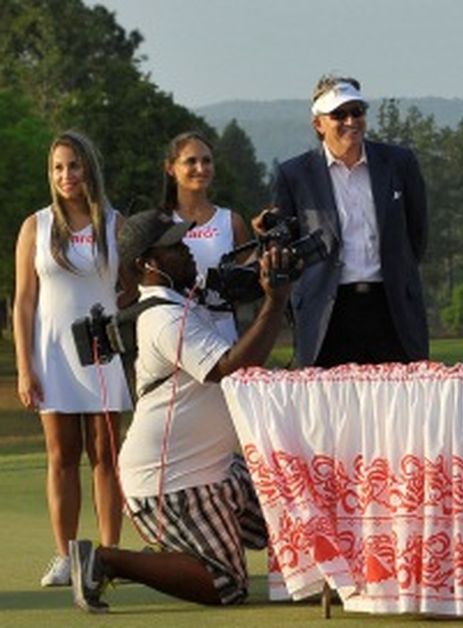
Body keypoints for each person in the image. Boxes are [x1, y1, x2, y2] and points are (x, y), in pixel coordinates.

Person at [68, 209, 291, 612]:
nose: (188, 250)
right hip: (171, 483)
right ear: (147, 264)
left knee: (294, 510)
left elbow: (231, 295)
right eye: (174, 246)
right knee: (226, 584)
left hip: (212, 469)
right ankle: (105, 559)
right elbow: (228, 367)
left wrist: (266, 258)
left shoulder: (182, 303)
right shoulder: (165, 318)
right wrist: (275, 301)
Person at [13, 131, 131, 587]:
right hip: (53, 355)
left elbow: (134, 286)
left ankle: (109, 556)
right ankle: (64, 556)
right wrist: (25, 365)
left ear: (89, 170)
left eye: (75, 166)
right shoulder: (35, 226)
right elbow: (24, 302)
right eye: (59, 168)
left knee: (106, 455)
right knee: (61, 456)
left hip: (102, 353)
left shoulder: (115, 224)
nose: (67, 176)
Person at [267, 74, 428, 367]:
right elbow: (284, 244)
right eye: (339, 114)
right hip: (327, 314)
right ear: (319, 124)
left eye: (357, 112)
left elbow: (416, 233)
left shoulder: (398, 163)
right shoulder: (295, 175)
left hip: (390, 309)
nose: (351, 121)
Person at [161, 131, 252, 342]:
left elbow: (249, 289)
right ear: (170, 168)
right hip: (177, 340)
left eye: (207, 161)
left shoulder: (231, 221)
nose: (200, 169)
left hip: (224, 338)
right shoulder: (159, 225)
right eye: (190, 161)